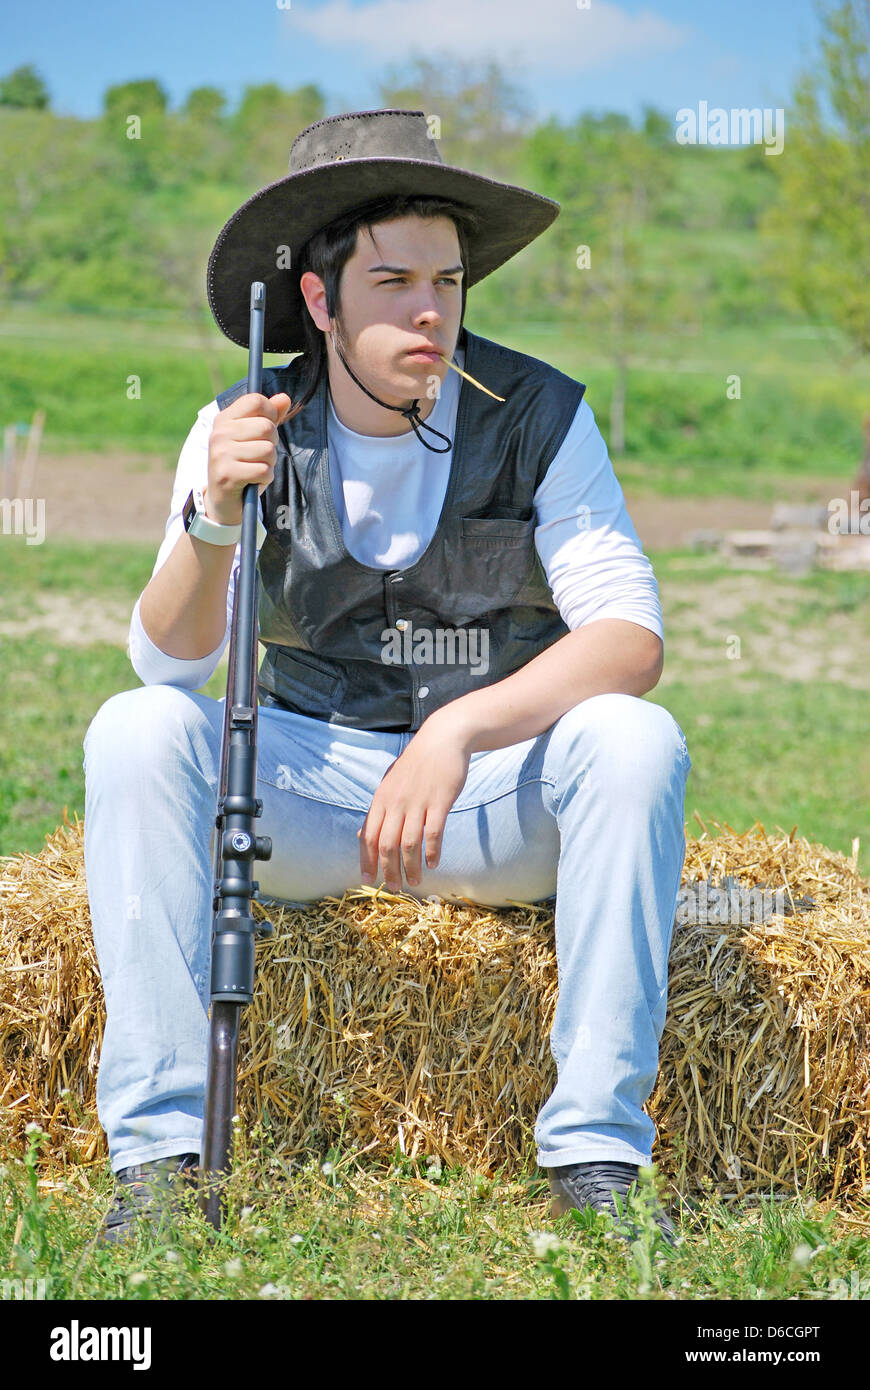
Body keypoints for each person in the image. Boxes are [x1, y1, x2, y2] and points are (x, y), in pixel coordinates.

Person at [83, 108, 691, 1247]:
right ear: (318, 301)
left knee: (634, 739)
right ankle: (161, 1164)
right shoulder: (240, 423)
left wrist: (457, 732)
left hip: (490, 802)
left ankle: (597, 1156)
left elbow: (629, 638)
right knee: (133, 731)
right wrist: (213, 517)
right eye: (395, 280)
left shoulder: (545, 414)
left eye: (449, 283)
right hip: (306, 799)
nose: (430, 311)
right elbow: (169, 663)